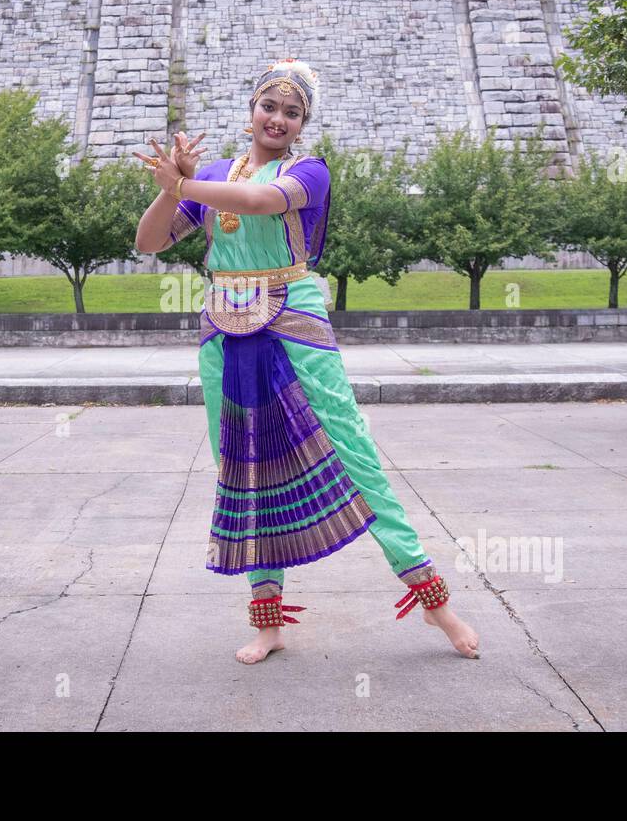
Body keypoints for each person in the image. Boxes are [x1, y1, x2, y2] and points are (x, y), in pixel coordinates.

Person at [133, 59, 480, 664]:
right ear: (252, 110)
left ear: (302, 125)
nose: (278, 118)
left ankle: (433, 599)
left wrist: (185, 185)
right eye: (269, 106)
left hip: (294, 319)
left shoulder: (308, 172)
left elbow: (261, 201)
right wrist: (171, 188)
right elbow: (149, 242)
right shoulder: (212, 173)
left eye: (292, 112)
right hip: (223, 328)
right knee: (243, 468)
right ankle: (267, 622)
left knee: (353, 451)